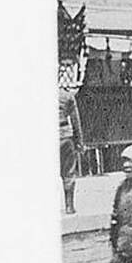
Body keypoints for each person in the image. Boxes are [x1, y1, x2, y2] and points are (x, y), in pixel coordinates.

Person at [59, 79, 84, 214]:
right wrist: (79, 141)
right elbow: (75, 121)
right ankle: (69, 206)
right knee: (68, 172)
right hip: (65, 136)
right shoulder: (67, 96)